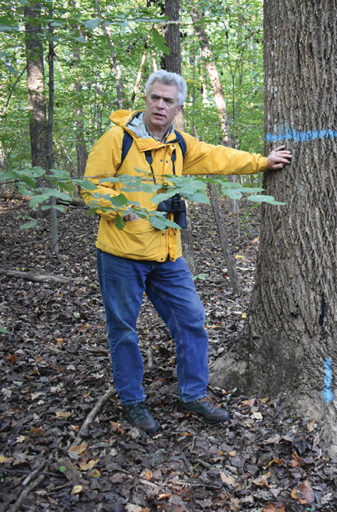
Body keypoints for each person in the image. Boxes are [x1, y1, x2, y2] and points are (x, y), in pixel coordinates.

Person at [82, 70, 291, 434]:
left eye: (168, 101)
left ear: (178, 107)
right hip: (121, 253)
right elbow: (91, 186)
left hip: (166, 253)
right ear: (145, 100)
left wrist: (261, 161)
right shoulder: (118, 139)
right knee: (124, 330)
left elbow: (217, 157)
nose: (160, 106)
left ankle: (192, 395)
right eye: (155, 98)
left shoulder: (179, 143)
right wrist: (119, 207)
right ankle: (132, 401)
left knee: (192, 319)